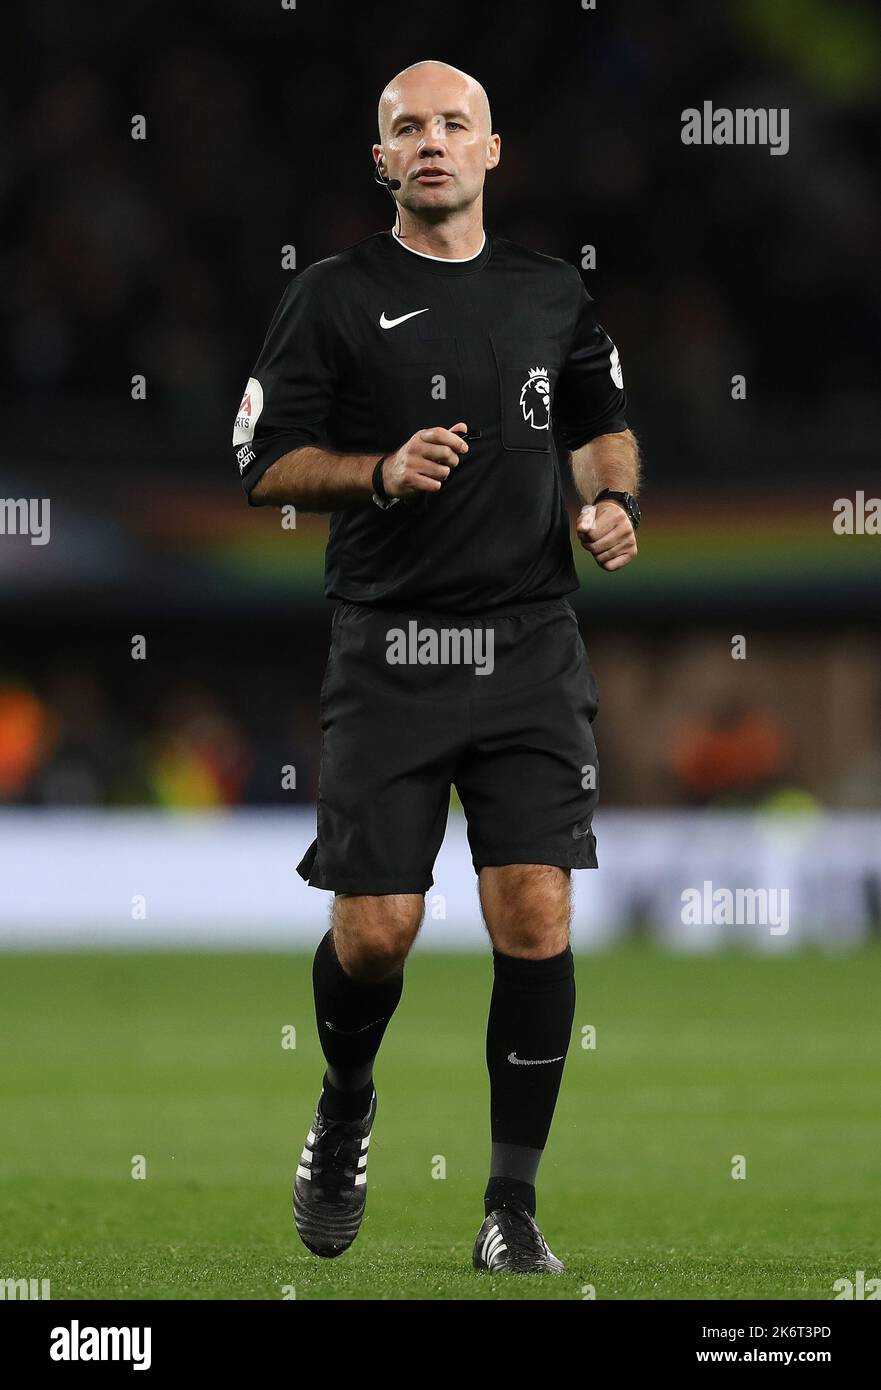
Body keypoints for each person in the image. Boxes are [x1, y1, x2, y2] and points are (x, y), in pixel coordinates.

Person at [234, 59, 640, 1274]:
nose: (430, 142)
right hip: (391, 643)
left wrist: (608, 500)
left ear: (490, 150)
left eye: (452, 124)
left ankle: (509, 1209)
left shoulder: (549, 291)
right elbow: (262, 460)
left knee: (534, 913)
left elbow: (595, 425)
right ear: (380, 162)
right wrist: (376, 471)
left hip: (526, 640)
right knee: (377, 934)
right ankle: (346, 1102)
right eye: (406, 128)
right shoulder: (332, 296)